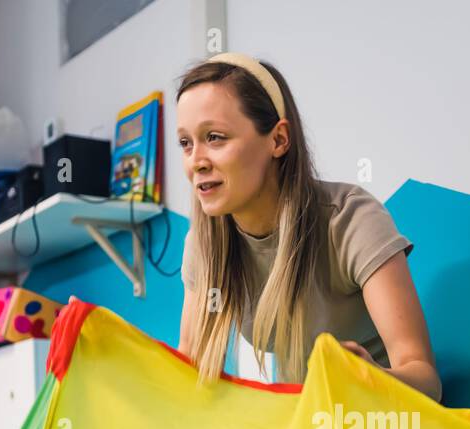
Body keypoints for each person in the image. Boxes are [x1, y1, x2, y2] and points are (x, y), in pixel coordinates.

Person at [175, 52, 441, 401]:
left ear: (278, 140)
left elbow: (426, 378)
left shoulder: (348, 220)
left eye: (215, 137)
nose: (196, 161)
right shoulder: (205, 243)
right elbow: (186, 371)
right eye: (185, 143)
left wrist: (371, 378)